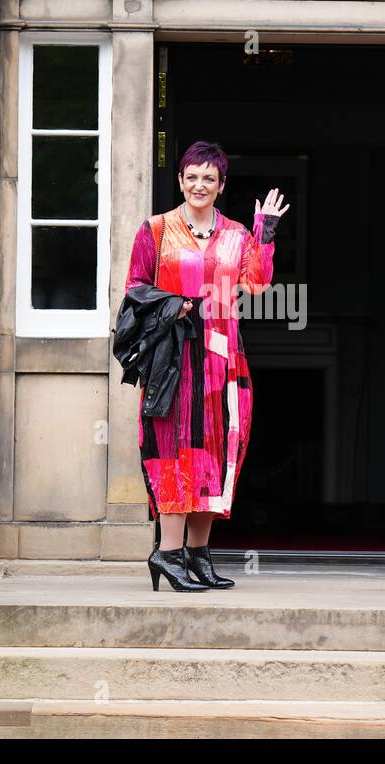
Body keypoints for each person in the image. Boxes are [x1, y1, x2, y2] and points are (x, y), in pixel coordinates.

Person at [124, 140, 289, 591]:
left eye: (209, 179)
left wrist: (265, 229)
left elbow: (256, 286)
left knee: (216, 453)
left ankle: (197, 553)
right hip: (173, 360)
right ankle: (168, 552)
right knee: (174, 448)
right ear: (180, 181)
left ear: (220, 186)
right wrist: (174, 305)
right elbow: (135, 287)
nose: (200, 185)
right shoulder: (156, 230)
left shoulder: (236, 234)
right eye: (191, 176)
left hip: (222, 358)